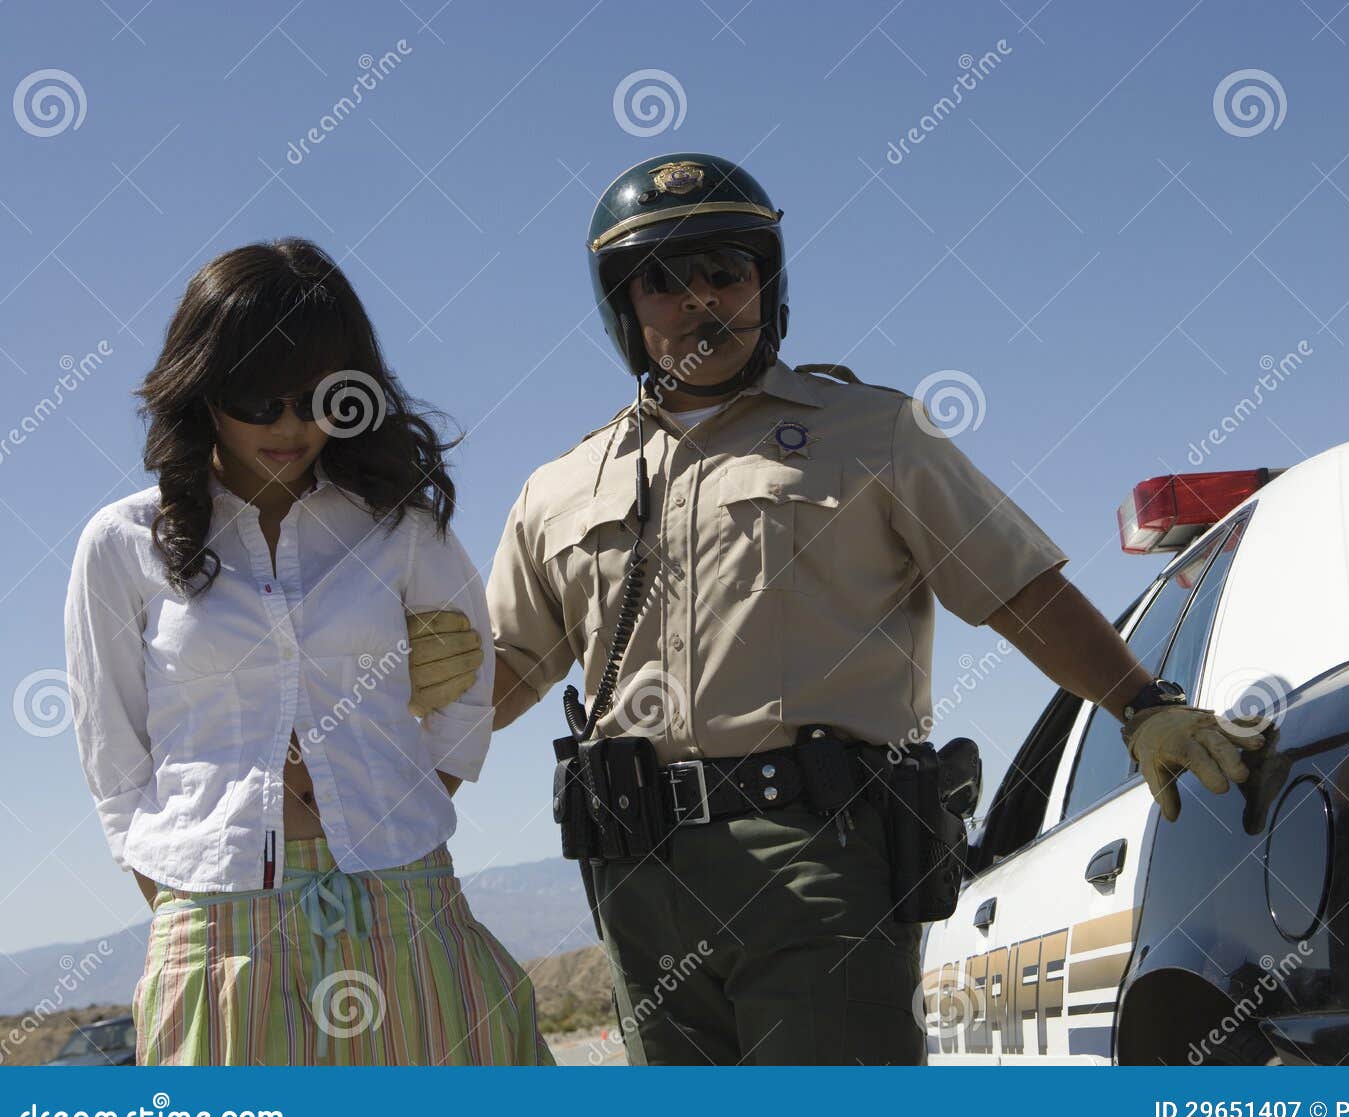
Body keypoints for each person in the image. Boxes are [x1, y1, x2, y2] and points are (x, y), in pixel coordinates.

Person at [476, 153, 1262, 1064]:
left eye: (725, 274)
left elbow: (1016, 589)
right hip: (634, 879)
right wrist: (353, 786)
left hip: (819, 856)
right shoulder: (561, 487)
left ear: (765, 287)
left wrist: (1142, 704)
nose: (700, 302)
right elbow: (498, 676)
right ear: (626, 308)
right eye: (665, 284)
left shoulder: (875, 434)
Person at [63, 238, 553, 1066]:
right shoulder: (120, 544)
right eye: (259, 397)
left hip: (406, 906)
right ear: (202, 387)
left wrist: (394, 805)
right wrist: (186, 895)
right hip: (214, 934)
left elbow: (464, 691)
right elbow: (112, 748)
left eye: (320, 397)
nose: (292, 426)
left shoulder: (402, 527)